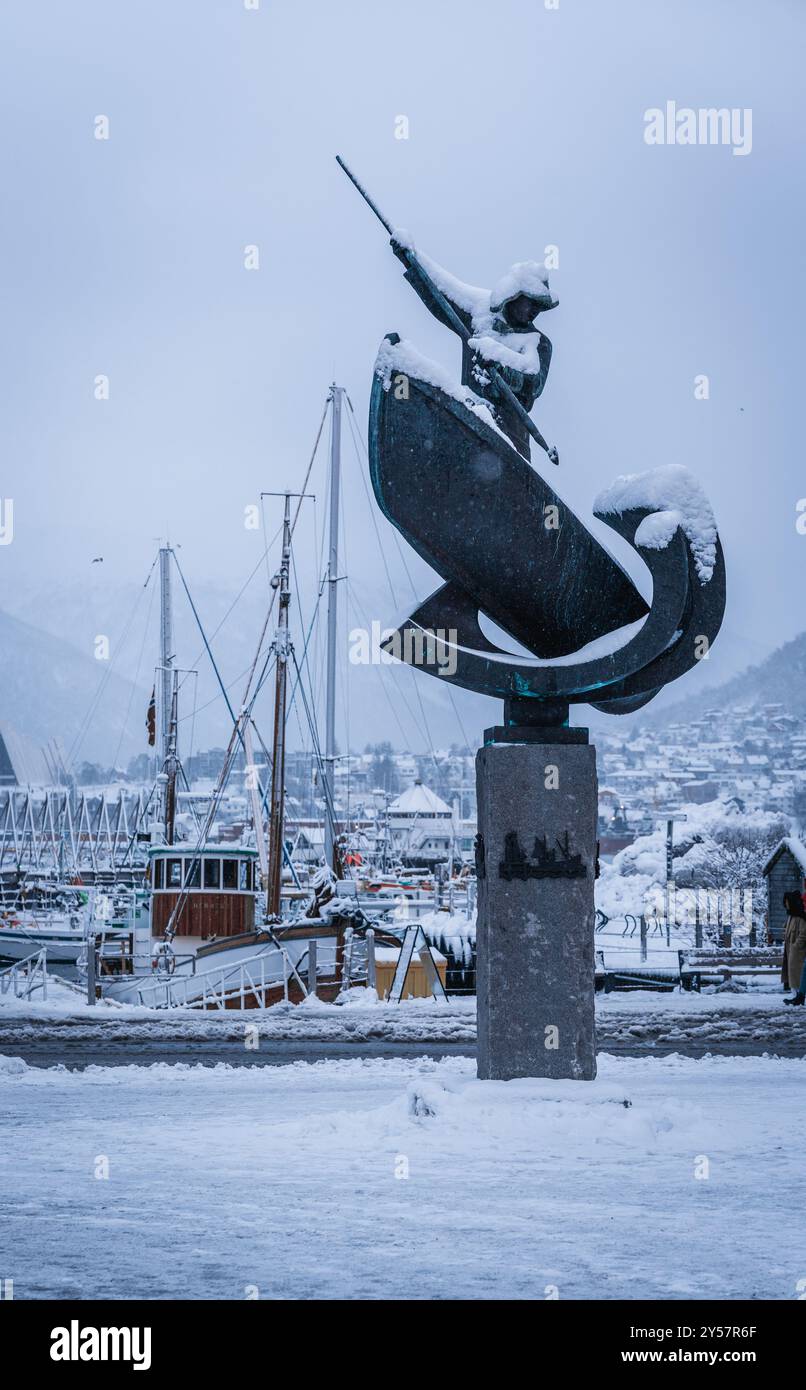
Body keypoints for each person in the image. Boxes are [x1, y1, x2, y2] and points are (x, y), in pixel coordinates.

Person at [391, 237, 557, 456]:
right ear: (515, 296)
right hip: (471, 422)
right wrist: (410, 258)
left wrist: (502, 367)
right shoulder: (480, 317)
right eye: (531, 302)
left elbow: (532, 382)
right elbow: (442, 291)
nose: (535, 310)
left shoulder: (539, 342)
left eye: (540, 306)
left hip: (511, 435)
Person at [782, 891, 806, 1005]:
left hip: (797, 952)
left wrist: (796, 946)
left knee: (798, 974)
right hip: (790, 949)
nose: (786, 904)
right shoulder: (791, 916)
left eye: (787, 902)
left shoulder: (800, 917)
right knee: (792, 974)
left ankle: (799, 997)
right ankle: (796, 996)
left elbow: (803, 933)